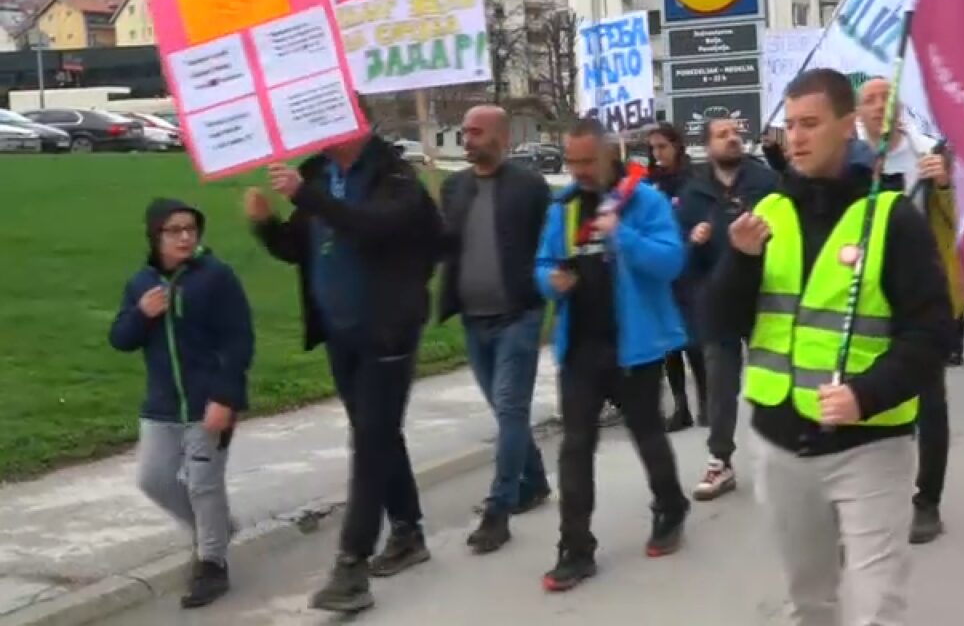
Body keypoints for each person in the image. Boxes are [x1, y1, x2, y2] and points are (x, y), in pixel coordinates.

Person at [709, 68, 952, 626]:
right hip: (780, 445)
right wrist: (739, 263)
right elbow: (719, 324)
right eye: (790, 124)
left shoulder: (890, 219)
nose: (796, 137)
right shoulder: (765, 216)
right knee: (810, 604)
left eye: (811, 123)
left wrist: (866, 395)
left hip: (871, 449)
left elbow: (932, 331)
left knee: (875, 607)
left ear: (848, 127)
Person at [246, 130, 443, 614]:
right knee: (376, 433)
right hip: (340, 331)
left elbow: (375, 226)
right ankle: (408, 531)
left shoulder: (395, 176)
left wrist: (303, 194)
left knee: (371, 441)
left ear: (355, 122)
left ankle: (351, 566)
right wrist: (268, 225)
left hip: (388, 328)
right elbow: (301, 245)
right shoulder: (318, 173)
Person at [535, 118, 692, 592]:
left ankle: (671, 505)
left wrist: (623, 235)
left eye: (587, 161)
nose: (578, 170)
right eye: (571, 161)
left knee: (647, 434)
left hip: (633, 349)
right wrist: (550, 281)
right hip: (579, 349)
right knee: (576, 446)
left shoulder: (643, 200)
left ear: (608, 155)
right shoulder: (562, 208)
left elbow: (671, 261)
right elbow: (542, 263)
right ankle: (575, 547)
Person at [110, 199, 254, 609]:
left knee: (204, 485)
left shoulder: (217, 278)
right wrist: (142, 314)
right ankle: (218, 530)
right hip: (161, 405)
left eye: (191, 229)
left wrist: (226, 397)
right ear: (156, 236)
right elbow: (120, 339)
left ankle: (212, 563)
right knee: (153, 480)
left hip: (208, 403)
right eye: (174, 230)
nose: (185, 237)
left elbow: (239, 341)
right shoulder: (142, 284)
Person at [855, 75, 964, 545]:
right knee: (867, 400)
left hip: (922, 298)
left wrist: (943, 186)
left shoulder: (929, 159)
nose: (880, 106)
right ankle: (868, 499)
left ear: (901, 109)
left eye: (888, 98)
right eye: (870, 100)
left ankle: (927, 501)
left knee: (930, 402)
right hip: (864, 301)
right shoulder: (852, 164)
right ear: (857, 114)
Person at [438, 105, 553, 555]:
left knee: (509, 408)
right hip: (473, 319)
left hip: (518, 318)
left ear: (502, 138)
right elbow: (445, 244)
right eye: (465, 131)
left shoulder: (529, 187)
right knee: (506, 412)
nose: (468, 139)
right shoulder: (454, 188)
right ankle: (535, 480)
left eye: (477, 132)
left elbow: (551, 242)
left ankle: (498, 509)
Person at [675, 115, 778, 501]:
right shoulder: (694, 193)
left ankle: (781, 454)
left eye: (736, 133)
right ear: (708, 146)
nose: (732, 139)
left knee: (772, 379)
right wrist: (694, 240)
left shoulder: (766, 184)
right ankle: (721, 461)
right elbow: (682, 260)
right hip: (717, 302)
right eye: (722, 135)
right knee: (721, 386)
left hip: (764, 298)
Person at [646, 122, 707, 433]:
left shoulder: (692, 180)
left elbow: (702, 215)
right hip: (661, 269)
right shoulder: (649, 184)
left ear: (676, 147)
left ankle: (706, 402)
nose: (657, 154)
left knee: (693, 339)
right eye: (653, 148)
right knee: (670, 344)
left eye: (662, 147)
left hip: (690, 266)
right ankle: (680, 406)